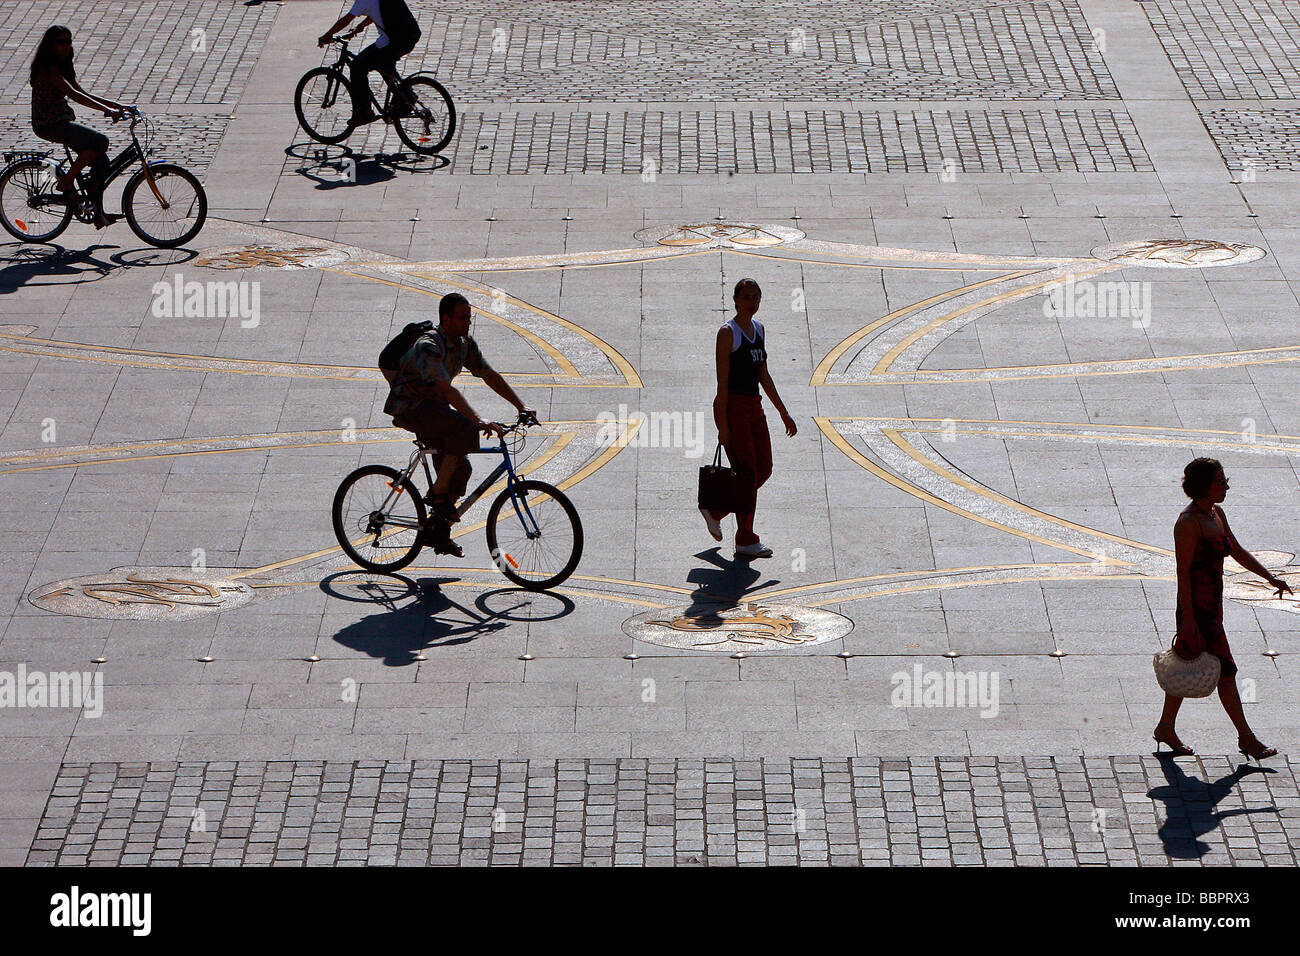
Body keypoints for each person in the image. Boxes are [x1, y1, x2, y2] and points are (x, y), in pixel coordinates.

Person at [1154, 458, 1291, 760]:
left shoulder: (1217, 514)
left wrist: (1270, 577)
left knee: (1187, 661)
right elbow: (1183, 573)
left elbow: (1237, 551)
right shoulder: (1188, 523)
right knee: (1226, 672)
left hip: (1212, 607)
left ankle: (1165, 727)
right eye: (1220, 481)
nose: (1226, 485)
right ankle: (1247, 738)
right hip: (1196, 611)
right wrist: (1188, 622)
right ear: (1204, 486)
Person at [384, 293, 535, 557]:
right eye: (463, 318)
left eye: (469, 317)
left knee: (461, 468)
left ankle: (438, 531)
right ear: (447, 319)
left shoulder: (464, 344)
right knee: (462, 427)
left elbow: (488, 374)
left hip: (434, 409)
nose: (469, 322)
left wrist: (520, 406)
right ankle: (437, 493)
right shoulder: (428, 345)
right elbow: (447, 390)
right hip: (410, 407)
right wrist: (477, 420)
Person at [701, 278, 797, 559]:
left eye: (756, 297)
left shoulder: (759, 329)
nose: (751, 302)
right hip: (733, 407)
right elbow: (722, 384)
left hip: (755, 407)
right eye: (746, 297)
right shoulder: (727, 333)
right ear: (735, 300)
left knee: (763, 469)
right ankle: (745, 538)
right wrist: (723, 426)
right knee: (748, 473)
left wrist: (783, 411)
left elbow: (763, 375)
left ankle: (716, 509)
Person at [29, 25, 129, 229]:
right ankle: (66, 182)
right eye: (61, 42)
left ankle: (97, 215)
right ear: (50, 45)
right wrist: (107, 110)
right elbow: (73, 95)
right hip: (49, 124)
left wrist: (115, 105)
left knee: (102, 164)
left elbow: (81, 91)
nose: (66, 46)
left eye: (68, 41)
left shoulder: (63, 63)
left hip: (62, 120)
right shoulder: (47, 67)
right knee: (100, 141)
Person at [317, 0, 421, 128]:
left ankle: (365, 111)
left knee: (357, 66)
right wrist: (359, 27)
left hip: (393, 41)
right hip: (411, 35)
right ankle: (406, 95)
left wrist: (327, 35)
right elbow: (376, 12)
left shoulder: (363, 0)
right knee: (383, 62)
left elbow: (347, 19)